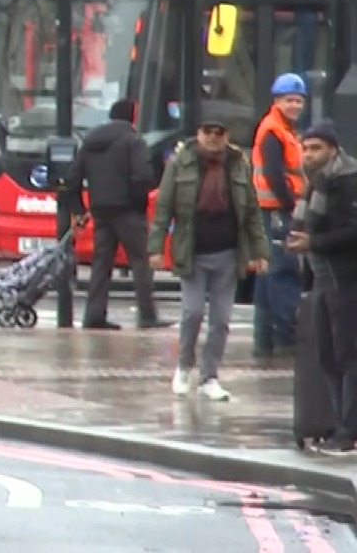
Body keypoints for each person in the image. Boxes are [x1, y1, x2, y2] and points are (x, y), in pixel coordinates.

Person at [148, 115, 267, 401]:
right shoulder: (180, 163)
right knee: (192, 313)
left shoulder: (238, 164)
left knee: (221, 320)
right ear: (198, 133)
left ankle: (209, 377)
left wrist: (260, 251)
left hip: (227, 252)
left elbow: (251, 212)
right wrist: (154, 248)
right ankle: (183, 367)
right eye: (207, 131)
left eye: (219, 132)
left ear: (226, 135)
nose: (213, 137)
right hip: (193, 252)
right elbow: (163, 208)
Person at [64, 98, 171, 330]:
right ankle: (148, 315)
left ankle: (94, 315)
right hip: (128, 210)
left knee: (101, 264)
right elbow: (142, 176)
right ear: (132, 116)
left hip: (100, 209)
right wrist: (137, 201)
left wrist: (79, 210)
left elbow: (71, 180)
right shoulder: (133, 141)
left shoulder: (90, 142)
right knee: (140, 261)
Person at [286, 120, 357, 454]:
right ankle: (338, 425)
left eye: (316, 148)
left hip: (346, 278)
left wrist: (314, 242)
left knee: (348, 355)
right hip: (321, 279)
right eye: (306, 147)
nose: (309, 154)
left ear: (333, 150)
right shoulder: (315, 183)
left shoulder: (346, 181)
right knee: (327, 356)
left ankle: (349, 430)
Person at [252, 72, 309, 356]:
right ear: (277, 100)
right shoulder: (274, 131)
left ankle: (264, 341)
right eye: (290, 100)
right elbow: (275, 174)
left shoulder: (283, 129)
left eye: (299, 101)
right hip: (278, 211)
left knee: (267, 277)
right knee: (284, 273)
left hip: (272, 211)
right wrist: (291, 205)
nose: (295, 106)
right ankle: (285, 339)